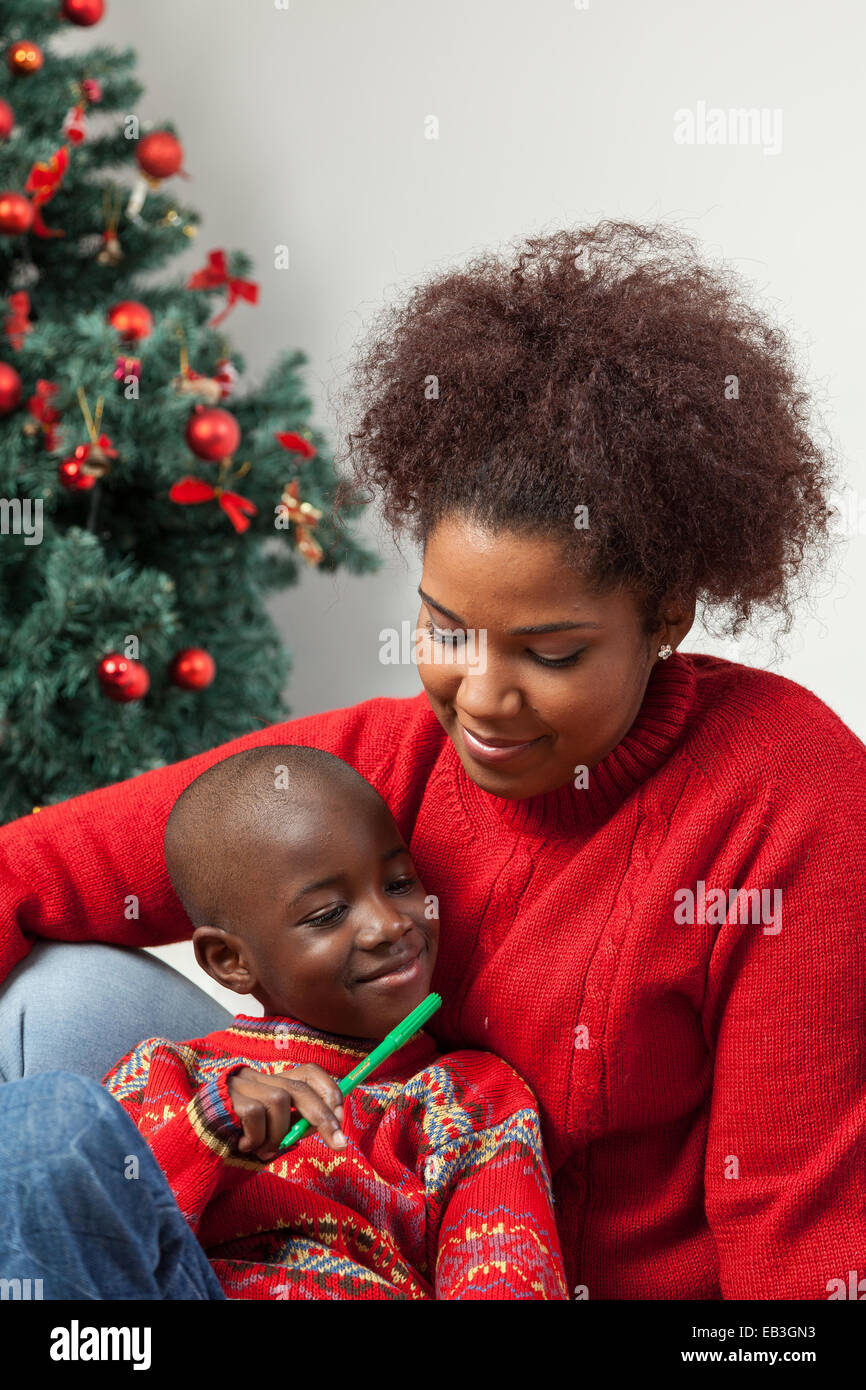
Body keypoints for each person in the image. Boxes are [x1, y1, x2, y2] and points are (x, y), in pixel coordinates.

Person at [0, 221, 863, 1300]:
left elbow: (798, 1222)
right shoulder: (387, 760)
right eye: (447, 631)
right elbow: (34, 870)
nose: (482, 699)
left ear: (664, 617)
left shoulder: (788, 799)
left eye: (550, 653)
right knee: (60, 1015)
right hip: (306, 1243)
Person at [0, 746, 567, 1300]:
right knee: (53, 1124)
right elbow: (91, 1239)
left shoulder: (472, 1100)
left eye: (399, 884)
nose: (390, 924)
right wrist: (207, 1135)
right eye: (328, 915)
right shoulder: (167, 1075)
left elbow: (509, 1274)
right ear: (231, 962)